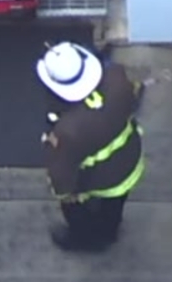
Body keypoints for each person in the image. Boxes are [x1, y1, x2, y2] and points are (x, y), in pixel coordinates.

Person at [37, 42, 145, 251]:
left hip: (96, 180)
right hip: (130, 162)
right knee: (114, 209)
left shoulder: (66, 130)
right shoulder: (117, 76)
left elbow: (62, 173)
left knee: (77, 213)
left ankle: (83, 239)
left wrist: (65, 194)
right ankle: (110, 232)